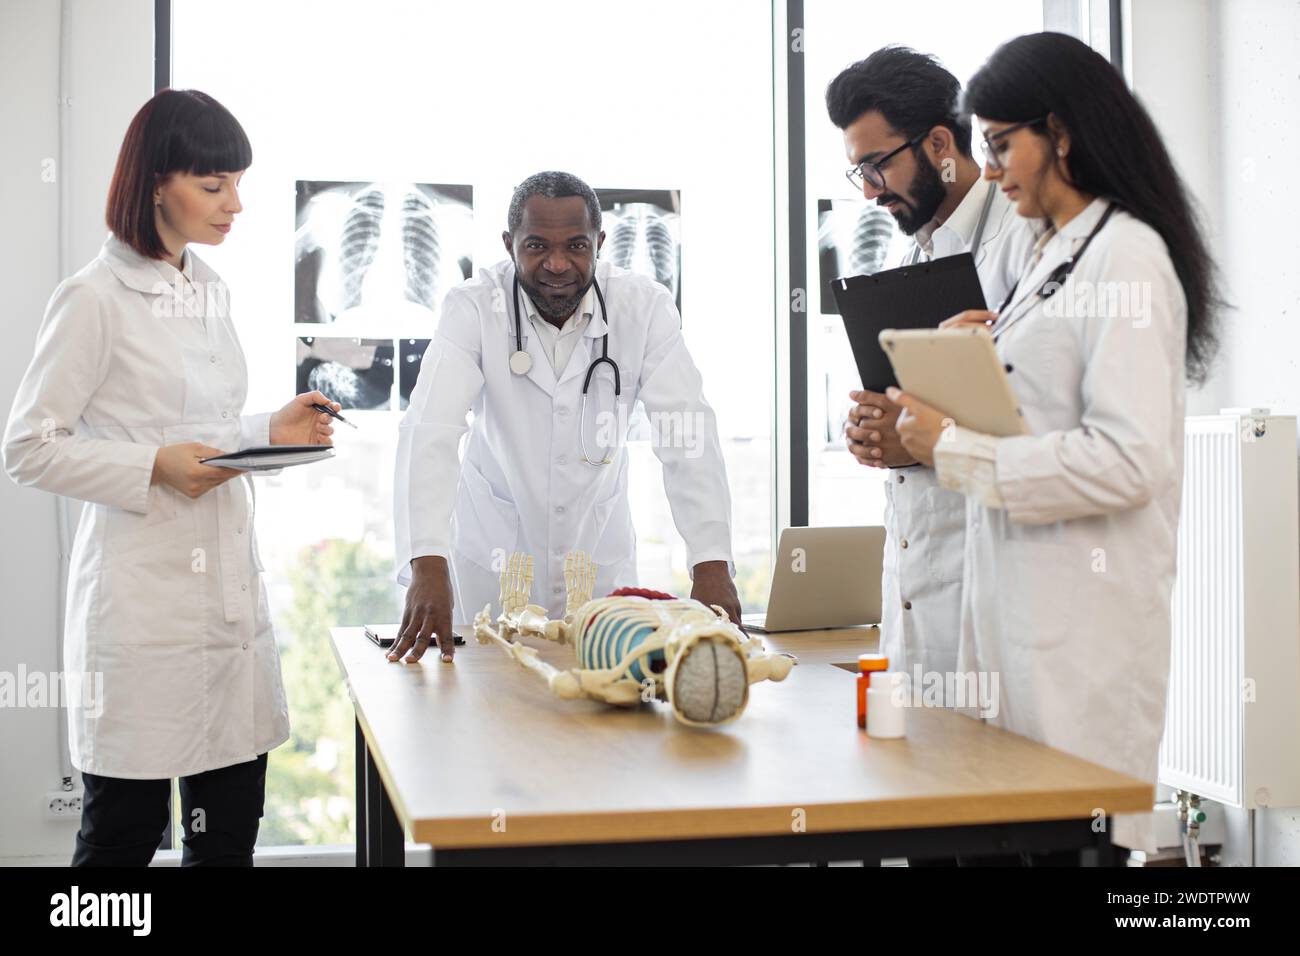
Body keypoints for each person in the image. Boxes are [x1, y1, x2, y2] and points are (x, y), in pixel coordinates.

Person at [891, 32, 1221, 855]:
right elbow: (1049, 408)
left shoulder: (1128, 258)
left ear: (1062, 133)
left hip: (1079, 644)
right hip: (1013, 630)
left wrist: (953, 447)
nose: (990, 168)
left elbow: (1129, 459)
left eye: (1002, 143)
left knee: (1075, 847)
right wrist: (982, 352)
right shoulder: (1052, 258)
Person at [3, 89, 341, 866]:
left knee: (226, 839)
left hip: (225, 606)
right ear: (158, 181)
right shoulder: (92, 298)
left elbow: (199, 428)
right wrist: (148, 466)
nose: (236, 205)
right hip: (141, 609)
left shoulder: (208, 289)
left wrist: (268, 430)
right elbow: (28, 447)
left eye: (238, 183)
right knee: (119, 840)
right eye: (214, 185)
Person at [391, 171, 740, 663]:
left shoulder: (642, 309)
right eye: (536, 246)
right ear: (509, 244)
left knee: (601, 709)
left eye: (576, 246)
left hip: (597, 562)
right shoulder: (473, 308)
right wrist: (427, 560)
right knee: (487, 714)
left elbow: (687, 435)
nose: (557, 264)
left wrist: (711, 564)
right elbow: (431, 432)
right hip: (494, 563)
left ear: (599, 242)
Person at [826, 47, 1035, 681]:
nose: (867, 192)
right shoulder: (915, 260)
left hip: (995, 578)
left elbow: (1043, 419)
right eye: (855, 172)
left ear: (940, 142)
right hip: (917, 577)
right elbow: (916, 414)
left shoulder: (1023, 246)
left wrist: (918, 434)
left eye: (875, 165)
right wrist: (872, 428)